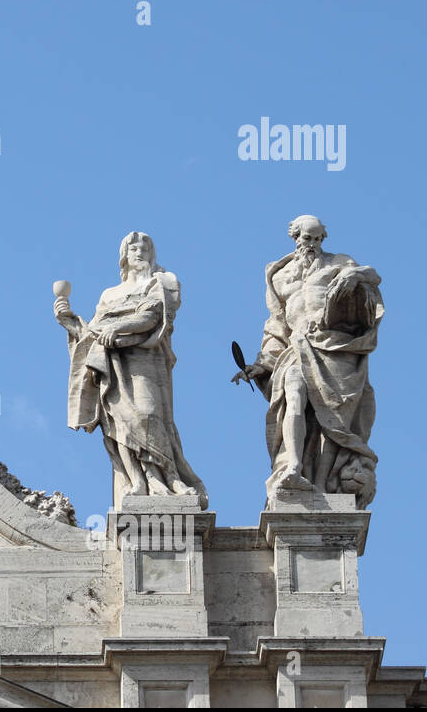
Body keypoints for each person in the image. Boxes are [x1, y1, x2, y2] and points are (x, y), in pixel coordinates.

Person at [231, 215, 383, 507]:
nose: (312, 244)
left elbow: (373, 276)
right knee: (293, 392)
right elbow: (276, 327)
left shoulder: (338, 262)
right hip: (297, 347)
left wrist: (356, 276)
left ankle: (322, 482)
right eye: (307, 238)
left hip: (336, 348)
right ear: (295, 238)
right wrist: (262, 364)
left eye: (317, 239)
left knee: (332, 422)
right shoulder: (280, 277)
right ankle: (293, 467)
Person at [55, 232, 207, 507]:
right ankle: (138, 481)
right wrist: (69, 322)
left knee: (149, 415)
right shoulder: (109, 294)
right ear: (124, 255)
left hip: (146, 359)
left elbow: (151, 317)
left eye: (145, 248)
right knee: (118, 421)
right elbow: (93, 334)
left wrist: (117, 328)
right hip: (112, 364)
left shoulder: (159, 283)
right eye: (134, 248)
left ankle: (167, 477)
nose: (140, 252)